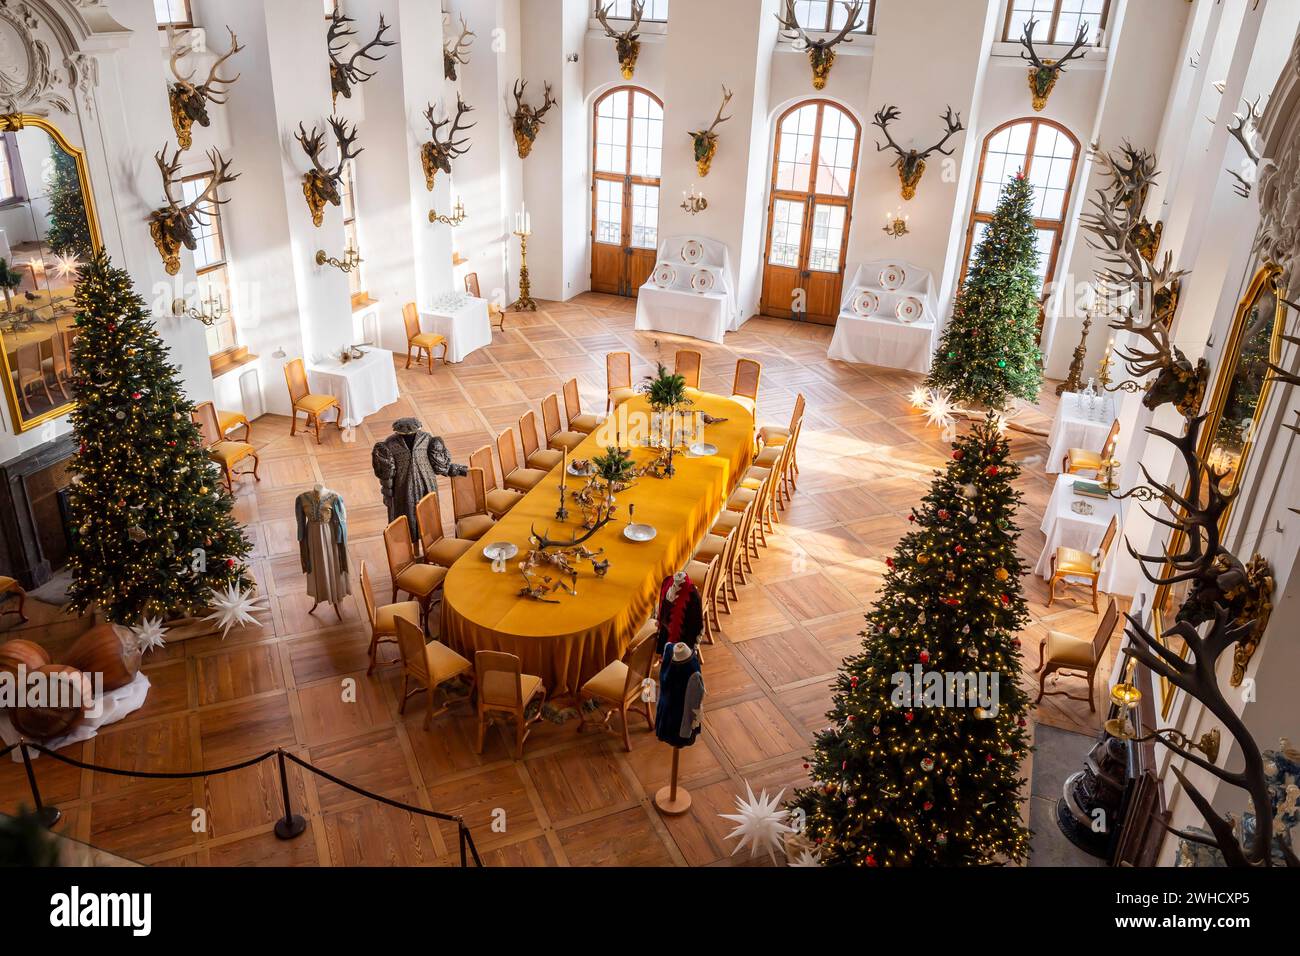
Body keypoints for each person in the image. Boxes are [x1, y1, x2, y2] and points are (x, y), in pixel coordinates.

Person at [372, 417, 467, 540]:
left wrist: (457, 469)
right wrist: (388, 495)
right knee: (405, 522)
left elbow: (439, 465)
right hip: (402, 490)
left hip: (426, 487)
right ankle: (409, 550)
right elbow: (386, 476)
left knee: (428, 518)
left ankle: (430, 546)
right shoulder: (388, 445)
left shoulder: (427, 440)